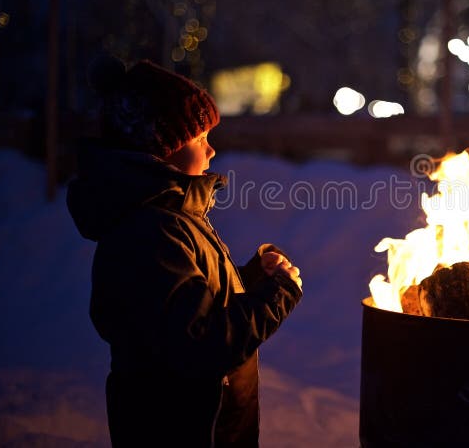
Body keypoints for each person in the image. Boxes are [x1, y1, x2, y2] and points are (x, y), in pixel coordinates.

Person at [67, 55, 302, 447]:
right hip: (179, 428)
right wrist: (274, 297)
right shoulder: (149, 232)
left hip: (209, 423)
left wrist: (254, 277)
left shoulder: (172, 217)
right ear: (159, 150)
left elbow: (194, 301)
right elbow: (198, 342)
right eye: (200, 140)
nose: (211, 152)